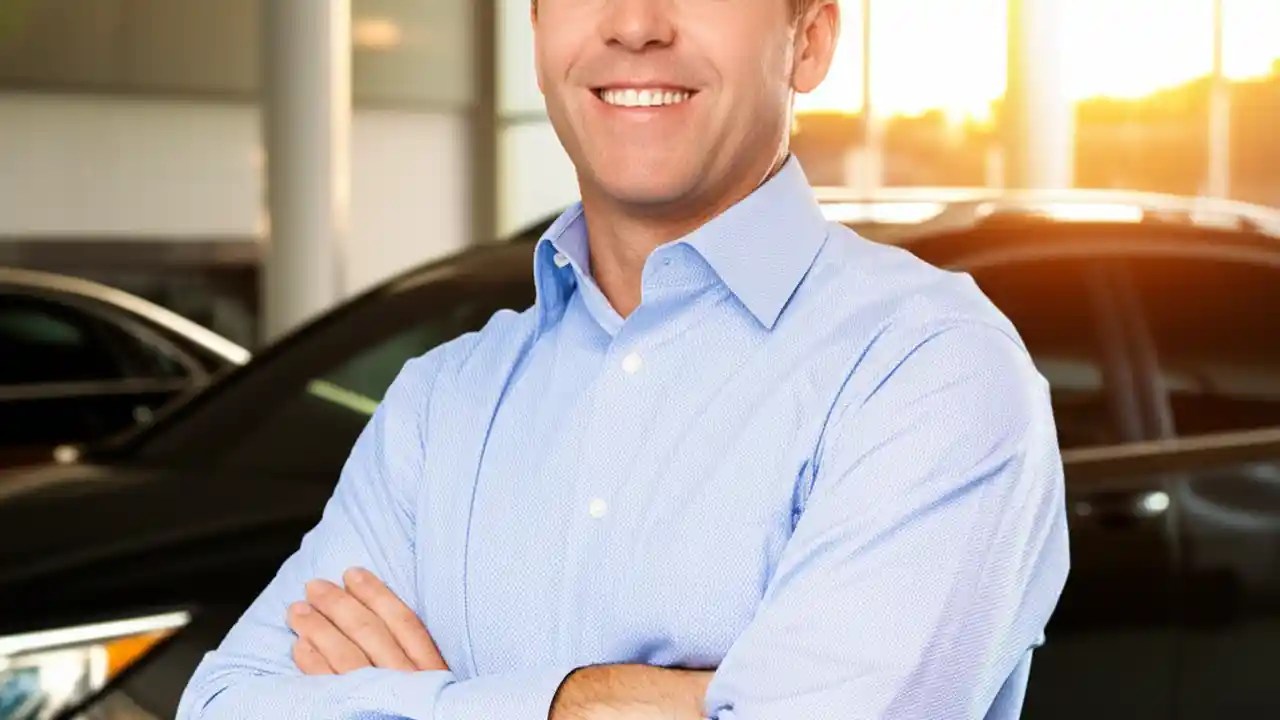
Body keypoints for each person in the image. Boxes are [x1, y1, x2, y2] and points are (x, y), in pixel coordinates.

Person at [177, 0, 1069, 717]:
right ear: (535, 30)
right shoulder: (440, 402)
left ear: (811, 39)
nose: (635, 23)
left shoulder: (926, 368)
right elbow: (224, 704)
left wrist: (417, 700)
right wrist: (585, 706)